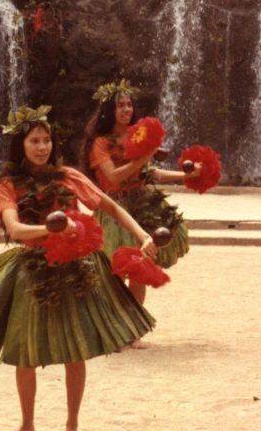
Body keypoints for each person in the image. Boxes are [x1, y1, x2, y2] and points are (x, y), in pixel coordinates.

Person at [0, 105, 157, 431]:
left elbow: (111, 206)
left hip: (73, 267)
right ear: (21, 145)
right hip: (31, 268)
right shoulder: (7, 185)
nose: (42, 147)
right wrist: (54, 228)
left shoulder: (67, 176)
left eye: (46, 141)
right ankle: (27, 424)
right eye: (34, 141)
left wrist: (142, 235)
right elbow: (14, 227)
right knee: (25, 351)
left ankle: (72, 424)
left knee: (76, 349)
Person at [81, 80, 199, 313]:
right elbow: (113, 177)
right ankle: (116, 326)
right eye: (120, 105)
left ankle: (134, 328)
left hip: (143, 204)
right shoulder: (100, 143)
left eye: (129, 105)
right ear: (109, 111)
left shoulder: (138, 137)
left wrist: (186, 176)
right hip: (115, 209)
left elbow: (148, 172)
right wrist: (146, 155)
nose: (127, 110)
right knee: (115, 273)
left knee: (139, 270)